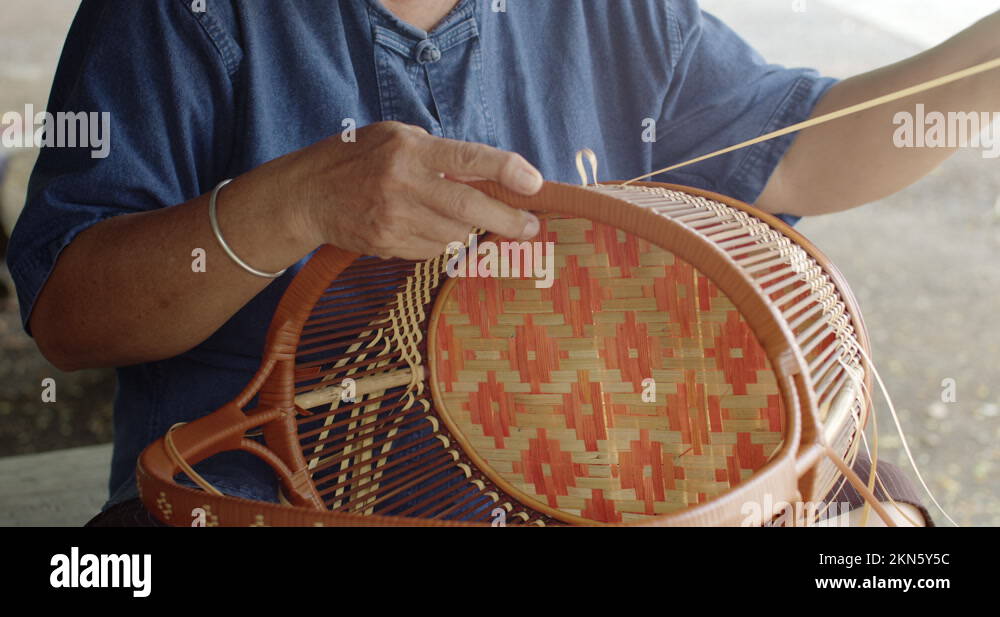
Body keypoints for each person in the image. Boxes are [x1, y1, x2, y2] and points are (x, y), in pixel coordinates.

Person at [9, 0, 997, 526]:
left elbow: (804, 148)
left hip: (582, 470)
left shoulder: (615, 14)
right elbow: (69, 314)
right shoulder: (176, 17)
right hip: (261, 489)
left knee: (882, 518)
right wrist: (294, 201)